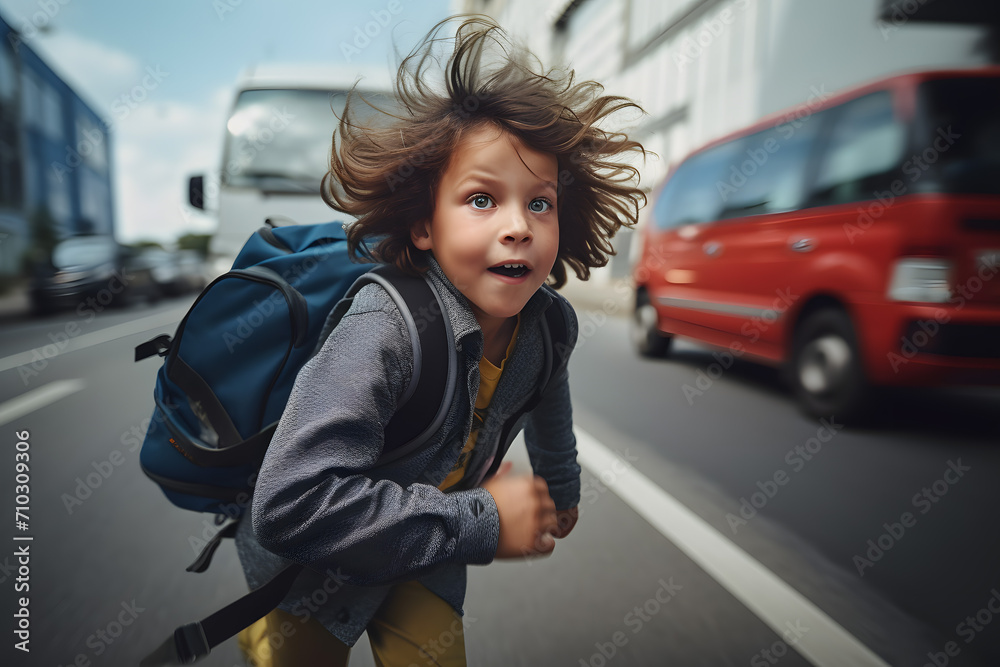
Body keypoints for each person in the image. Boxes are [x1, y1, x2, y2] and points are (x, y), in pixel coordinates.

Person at [234, 15, 646, 666]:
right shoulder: (386, 326)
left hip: (424, 550)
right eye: (482, 199)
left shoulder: (547, 325)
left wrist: (560, 490)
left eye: (539, 203)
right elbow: (290, 503)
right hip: (309, 569)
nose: (518, 226)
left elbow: (549, 405)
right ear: (424, 226)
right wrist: (483, 518)